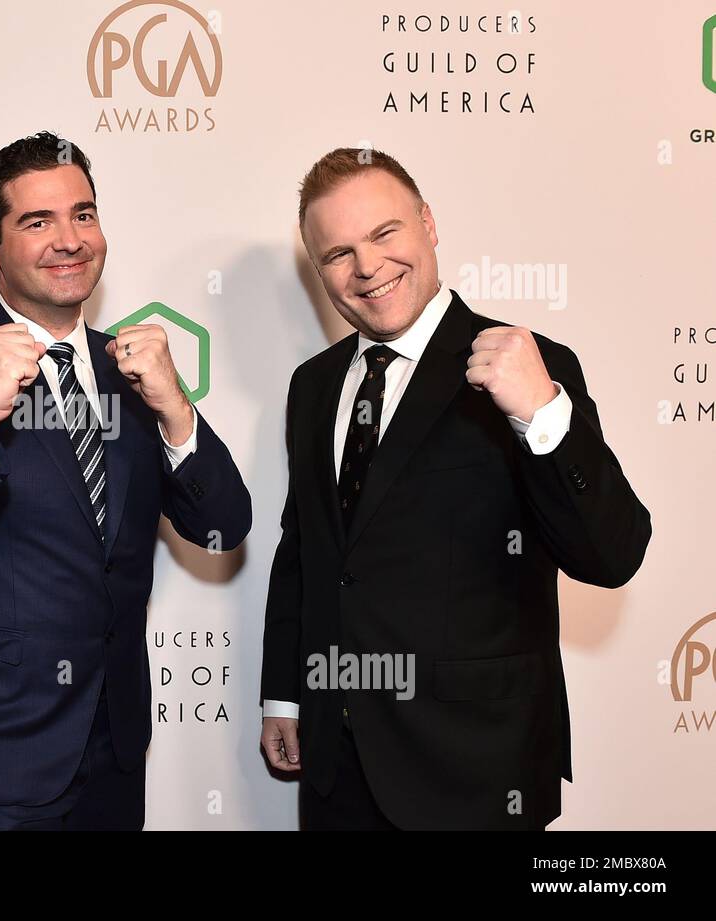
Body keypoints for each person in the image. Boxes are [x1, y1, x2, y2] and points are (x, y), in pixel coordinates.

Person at [0, 131, 252, 830]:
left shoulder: (132, 369)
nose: (69, 239)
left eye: (83, 214)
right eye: (37, 221)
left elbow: (225, 526)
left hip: (114, 744)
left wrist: (174, 407)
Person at [259, 148, 651, 830]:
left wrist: (543, 412)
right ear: (319, 270)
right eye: (338, 253)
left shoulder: (530, 364)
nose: (368, 267)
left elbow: (611, 555)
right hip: (337, 765)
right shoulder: (313, 386)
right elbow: (307, 551)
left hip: (476, 768)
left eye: (385, 234)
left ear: (429, 224)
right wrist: (286, 698)